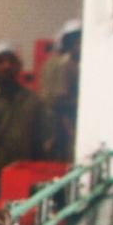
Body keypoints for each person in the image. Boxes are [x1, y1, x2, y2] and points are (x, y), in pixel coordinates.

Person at [0, 44, 60, 198]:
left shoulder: (34, 102)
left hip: (24, 184)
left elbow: (40, 148)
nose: (7, 66)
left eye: (12, 61)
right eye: (0, 61)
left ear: (19, 66)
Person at [38, 19, 82, 159]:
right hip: (60, 131)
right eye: (77, 41)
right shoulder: (63, 64)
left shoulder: (66, 63)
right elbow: (59, 103)